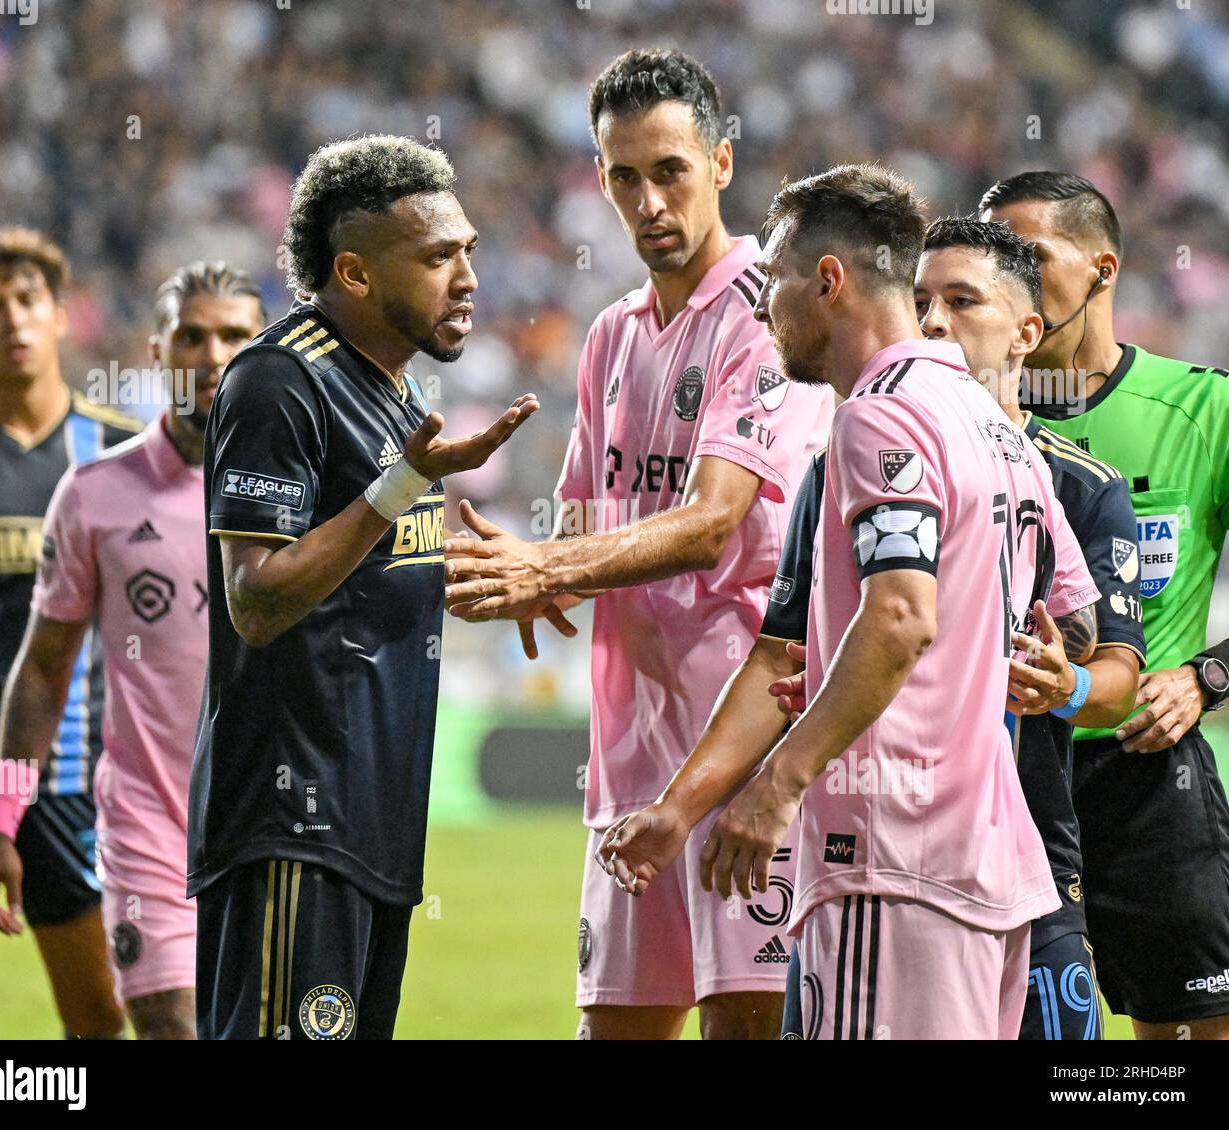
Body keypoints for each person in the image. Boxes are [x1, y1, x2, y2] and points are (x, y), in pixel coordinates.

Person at [599, 164, 1097, 1039]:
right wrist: (861, 674)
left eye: (775, 285)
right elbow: (1071, 622)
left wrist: (777, 784)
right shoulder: (998, 428)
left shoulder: (881, 415)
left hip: (890, 851)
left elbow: (902, 616)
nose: (761, 312)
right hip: (989, 860)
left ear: (828, 281)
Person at [443, 48, 832, 1040]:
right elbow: (583, 515)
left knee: (746, 1025)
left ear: (723, 165)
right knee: (614, 1028)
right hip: (630, 761)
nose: (648, 200)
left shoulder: (764, 319)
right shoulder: (611, 335)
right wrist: (515, 569)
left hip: (742, 745)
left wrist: (552, 566)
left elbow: (711, 521)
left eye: (670, 170)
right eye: (624, 176)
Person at [189, 135, 538, 1040]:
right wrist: (398, 489)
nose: (466, 276)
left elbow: (364, 575)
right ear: (351, 271)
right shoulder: (280, 379)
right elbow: (256, 601)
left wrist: (514, 577)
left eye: (468, 251)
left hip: (372, 824)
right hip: (292, 821)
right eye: (435, 257)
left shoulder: (391, 390)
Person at [0, 263, 266, 1039]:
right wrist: (2, 819)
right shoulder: (96, 493)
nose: (212, 356)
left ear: (265, 349)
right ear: (156, 351)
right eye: (192, 337)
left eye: (235, 336)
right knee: (171, 1029)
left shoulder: (304, 490)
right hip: (146, 829)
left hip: (274, 825)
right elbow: (42, 669)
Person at [981, 172, 1229, 1040]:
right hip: (1004, 782)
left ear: (1102, 268)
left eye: (1029, 256)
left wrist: (1210, 676)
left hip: (1143, 778)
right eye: (994, 257)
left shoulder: (1204, 408)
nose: (1006, 275)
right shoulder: (958, 424)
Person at [912, 217, 1146, 1040]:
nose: (933, 323)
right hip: (887, 869)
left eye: (961, 301)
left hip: (1034, 871)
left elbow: (1117, 680)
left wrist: (1068, 685)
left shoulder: (1080, 490)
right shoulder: (857, 462)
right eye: (921, 303)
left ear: (1027, 331)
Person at [0, 228, 140, 1040]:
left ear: (62, 317)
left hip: (74, 762)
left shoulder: (123, 455)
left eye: (29, 303)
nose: (13, 321)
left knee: (99, 1015)